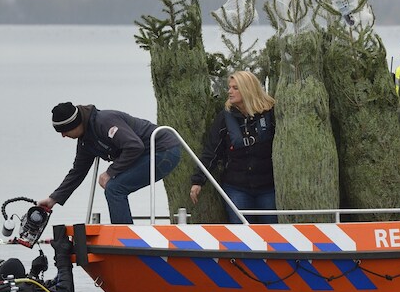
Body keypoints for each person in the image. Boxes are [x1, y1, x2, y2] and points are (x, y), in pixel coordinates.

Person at [39, 102, 182, 224]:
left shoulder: (104, 121)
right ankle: (124, 235)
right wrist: (53, 199)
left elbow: (134, 146)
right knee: (114, 187)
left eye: (64, 130)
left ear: (75, 123)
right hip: (145, 154)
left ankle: (126, 239)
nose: (63, 135)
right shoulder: (85, 141)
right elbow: (77, 172)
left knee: (115, 188)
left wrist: (110, 172)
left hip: (164, 150)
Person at [189, 71, 278, 224]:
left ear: (248, 89)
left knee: (271, 231)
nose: (230, 91)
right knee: (241, 231)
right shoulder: (225, 117)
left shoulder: (270, 114)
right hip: (237, 187)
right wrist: (198, 180)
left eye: (235, 88)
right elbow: (212, 151)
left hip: (268, 187)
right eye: (229, 87)